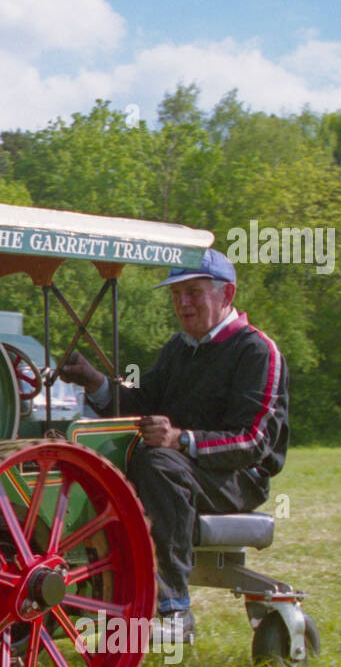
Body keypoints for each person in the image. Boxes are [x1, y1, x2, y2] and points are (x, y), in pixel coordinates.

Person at [58, 249, 289, 646]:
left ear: (226, 294)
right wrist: (94, 381)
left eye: (193, 293)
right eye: (176, 294)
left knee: (156, 462)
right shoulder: (179, 349)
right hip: (180, 467)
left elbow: (255, 442)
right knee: (112, 460)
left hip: (237, 477)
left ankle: (174, 610)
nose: (183, 303)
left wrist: (180, 440)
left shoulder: (257, 351)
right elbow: (141, 401)